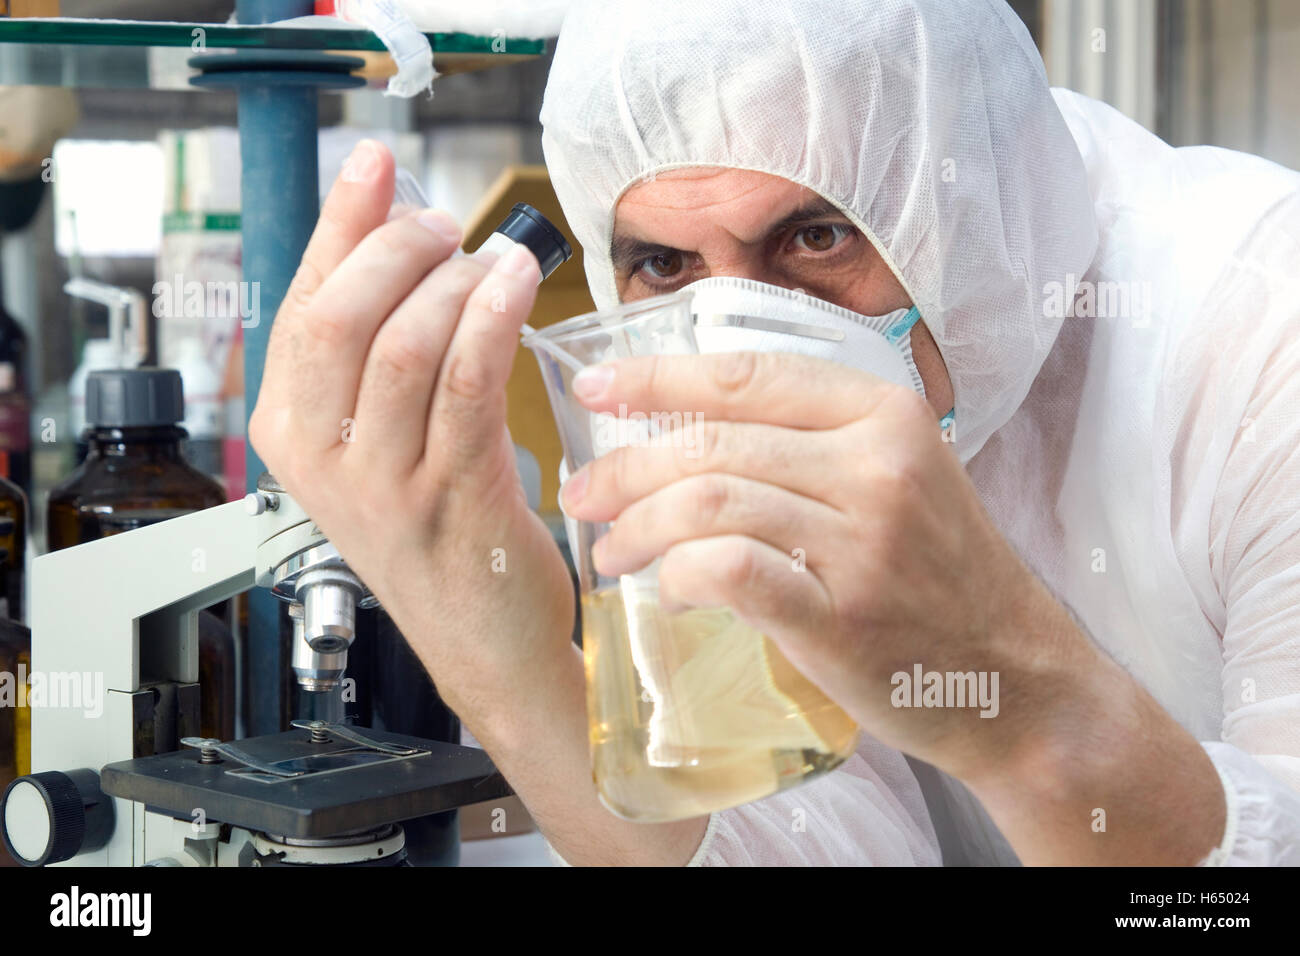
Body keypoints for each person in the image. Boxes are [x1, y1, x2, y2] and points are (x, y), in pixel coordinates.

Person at [249, 0, 1300, 865]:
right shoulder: (663, 391)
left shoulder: (1258, 323)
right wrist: (501, 649)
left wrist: (1016, 691)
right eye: (665, 263)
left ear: (961, 194)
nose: (737, 335)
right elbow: (804, 840)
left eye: (816, 234)